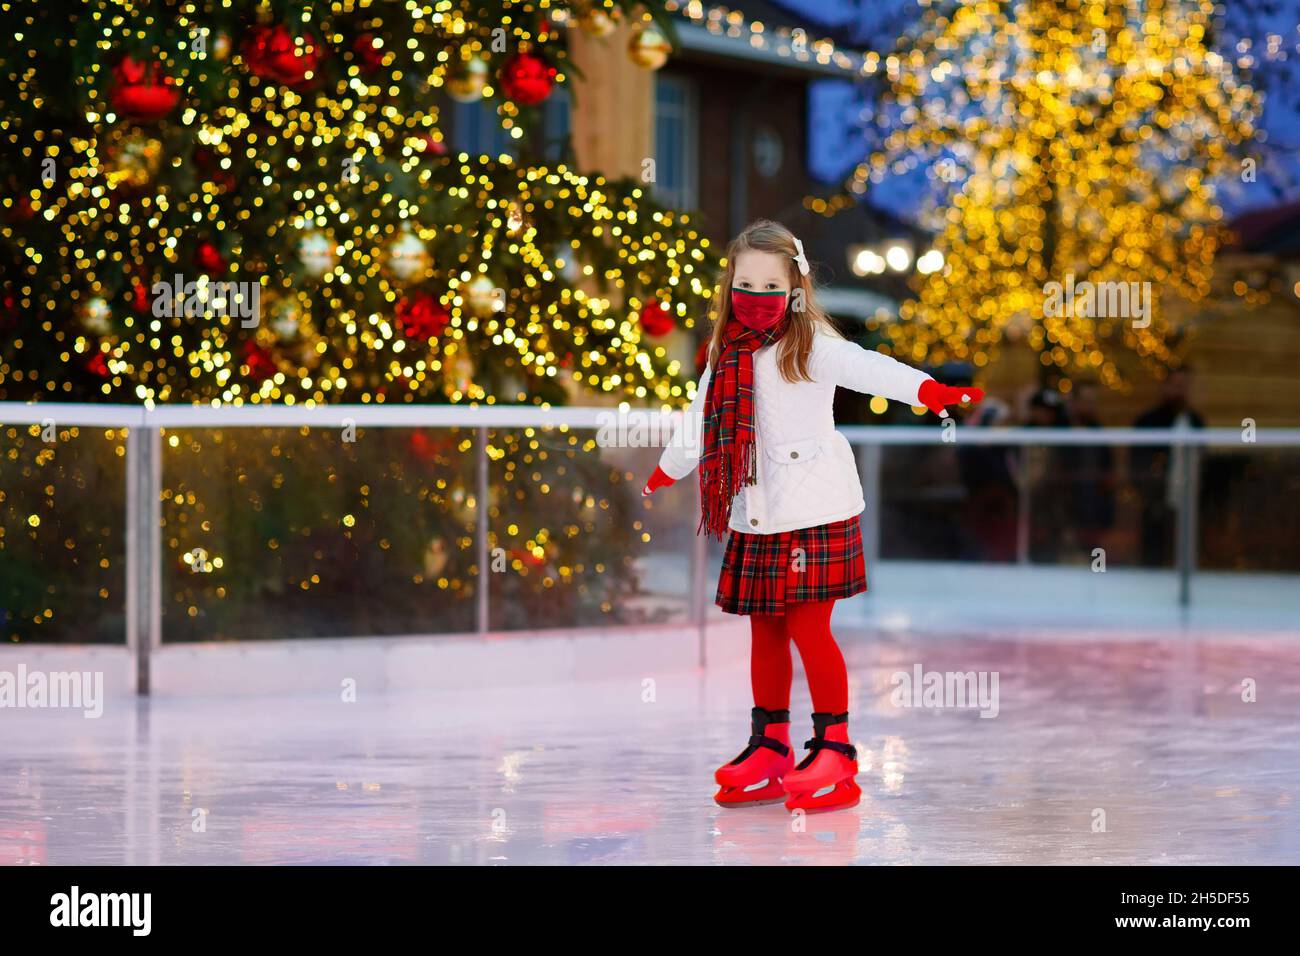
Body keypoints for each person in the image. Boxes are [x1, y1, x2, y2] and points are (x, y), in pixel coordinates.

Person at [641, 220, 982, 813]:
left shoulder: (811, 344)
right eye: (744, 283)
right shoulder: (725, 351)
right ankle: (769, 744)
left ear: (794, 287)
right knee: (764, 630)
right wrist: (671, 466)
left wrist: (927, 391)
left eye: (769, 285)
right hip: (756, 511)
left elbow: (870, 368)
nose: (754, 296)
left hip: (814, 511)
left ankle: (835, 749)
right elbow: (702, 416)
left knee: (808, 628)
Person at [1132, 366, 1204, 566]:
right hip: (1156, 499)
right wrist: (1149, 489)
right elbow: (1138, 462)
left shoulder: (1194, 422)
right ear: (1164, 387)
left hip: (1187, 499)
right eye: (1175, 385)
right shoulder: (1148, 422)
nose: (1179, 391)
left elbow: (1201, 457)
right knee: (1153, 549)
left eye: (1184, 386)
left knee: (1183, 549)